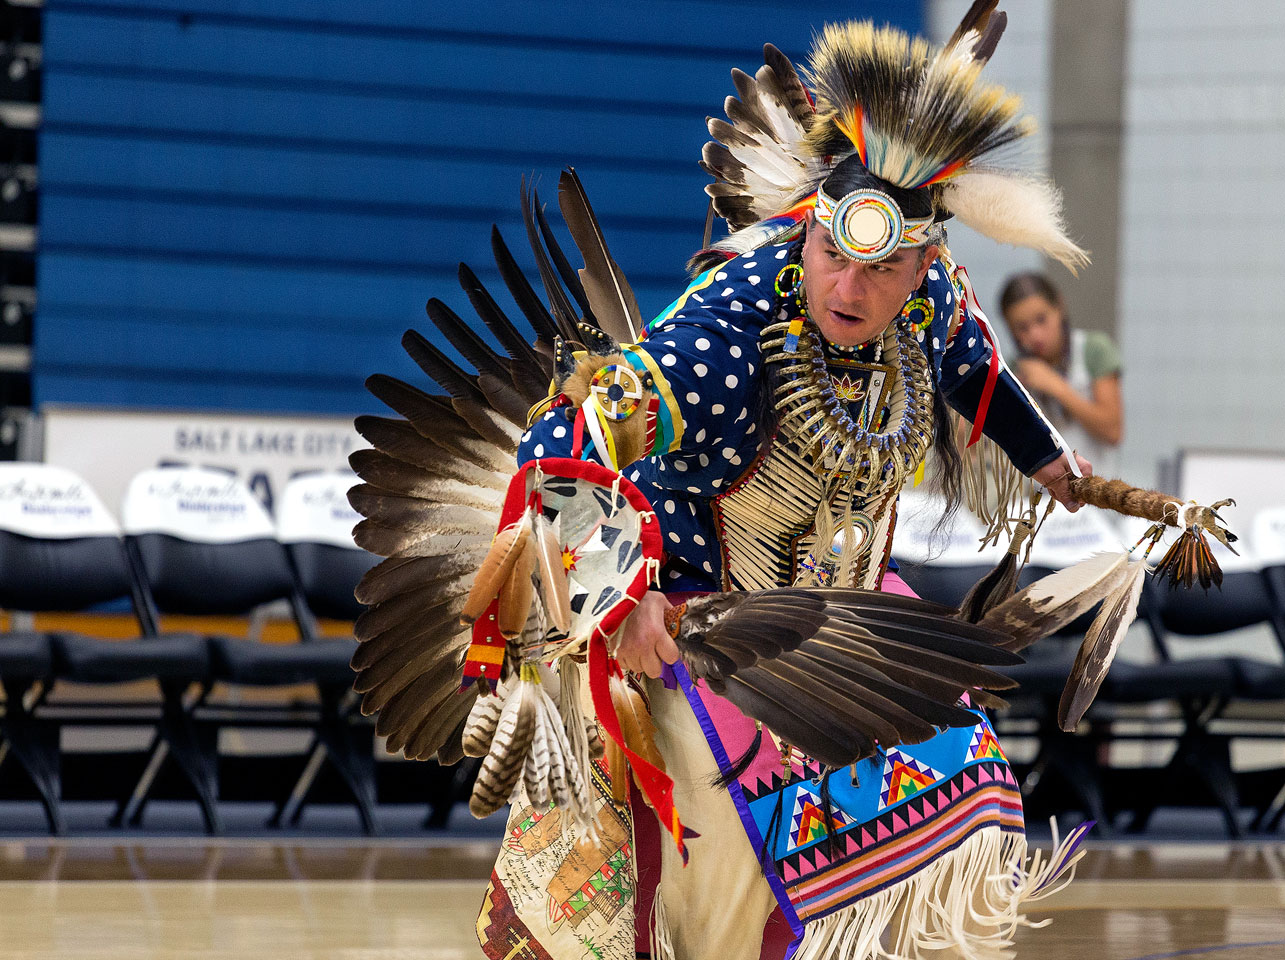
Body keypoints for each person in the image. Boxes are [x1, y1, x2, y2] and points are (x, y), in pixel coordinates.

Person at [349, 11, 1108, 960]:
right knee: (721, 838)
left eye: (884, 271)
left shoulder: (935, 304)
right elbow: (558, 441)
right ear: (811, 233)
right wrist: (624, 603)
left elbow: (976, 373)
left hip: (847, 618)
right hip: (698, 621)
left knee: (967, 777)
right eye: (835, 255)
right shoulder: (726, 336)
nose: (851, 287)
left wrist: (1046, 461)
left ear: (924, 265)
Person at [1000, 272, 1124, 478]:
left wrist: (1055, 386)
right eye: (1022, 328)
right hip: (1037, 499)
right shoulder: (1012, 371)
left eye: (1041, 319)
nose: (1035, 335)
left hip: (1096, 494)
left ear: (1059, 306)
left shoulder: (1093, 349)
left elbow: (1113, 431)